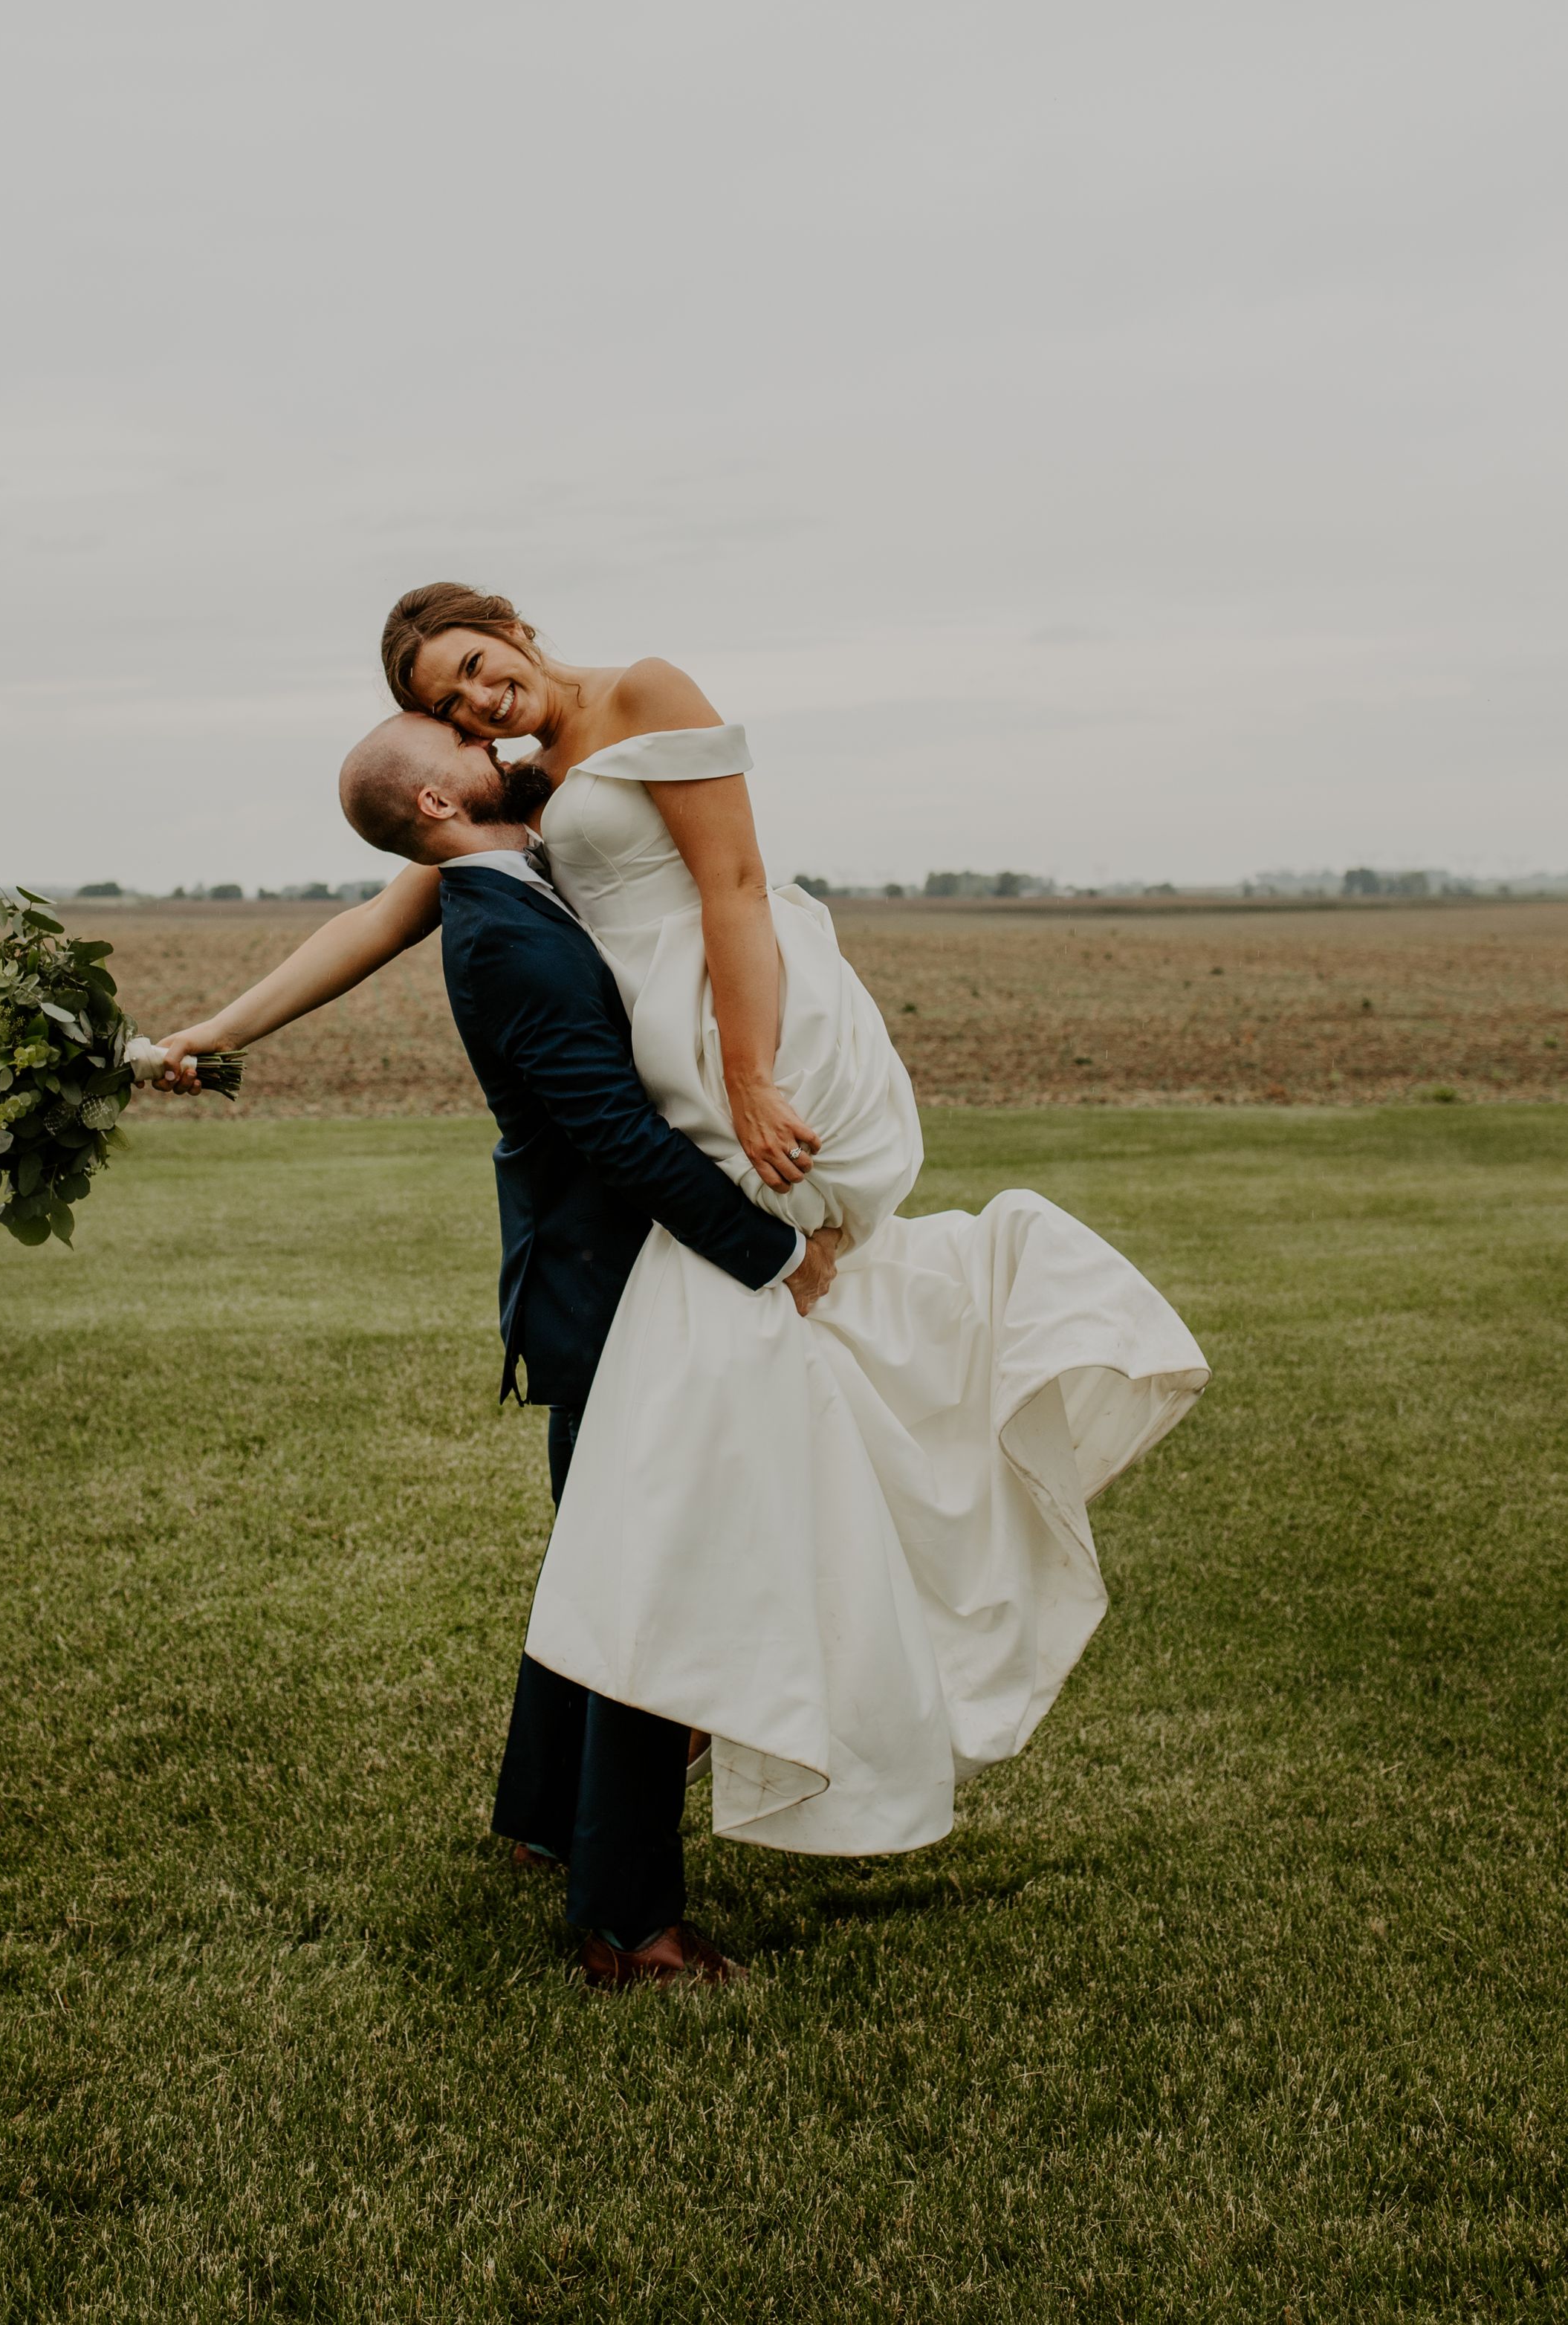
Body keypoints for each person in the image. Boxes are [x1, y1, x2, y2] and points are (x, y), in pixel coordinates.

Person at [155, 584, 1210, 1875]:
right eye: (448, 705)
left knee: (756, 1350)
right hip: (662, 1054)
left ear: (513, 626)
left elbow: (739, 884)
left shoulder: (649, 690)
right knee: (746, 1374)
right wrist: (214, 1033)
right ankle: (655, 1715)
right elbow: (382, 916)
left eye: (479, 669)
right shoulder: (517, 791)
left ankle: (689, 1693)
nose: (480, 704)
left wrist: (753, 1073)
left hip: (738, 1015)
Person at [163, 713, 841, 1988]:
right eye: (460, 733)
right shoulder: (508, 937)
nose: (493, 735)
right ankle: (631, 1928)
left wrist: (213, 1032)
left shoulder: (520, 870)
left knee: (601, 1545)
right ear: (434, 800)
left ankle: (543, 1818)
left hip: (585, 1280)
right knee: (650, 1582)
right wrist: (774, 1256)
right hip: (600, 1287)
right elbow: (618, 1143)